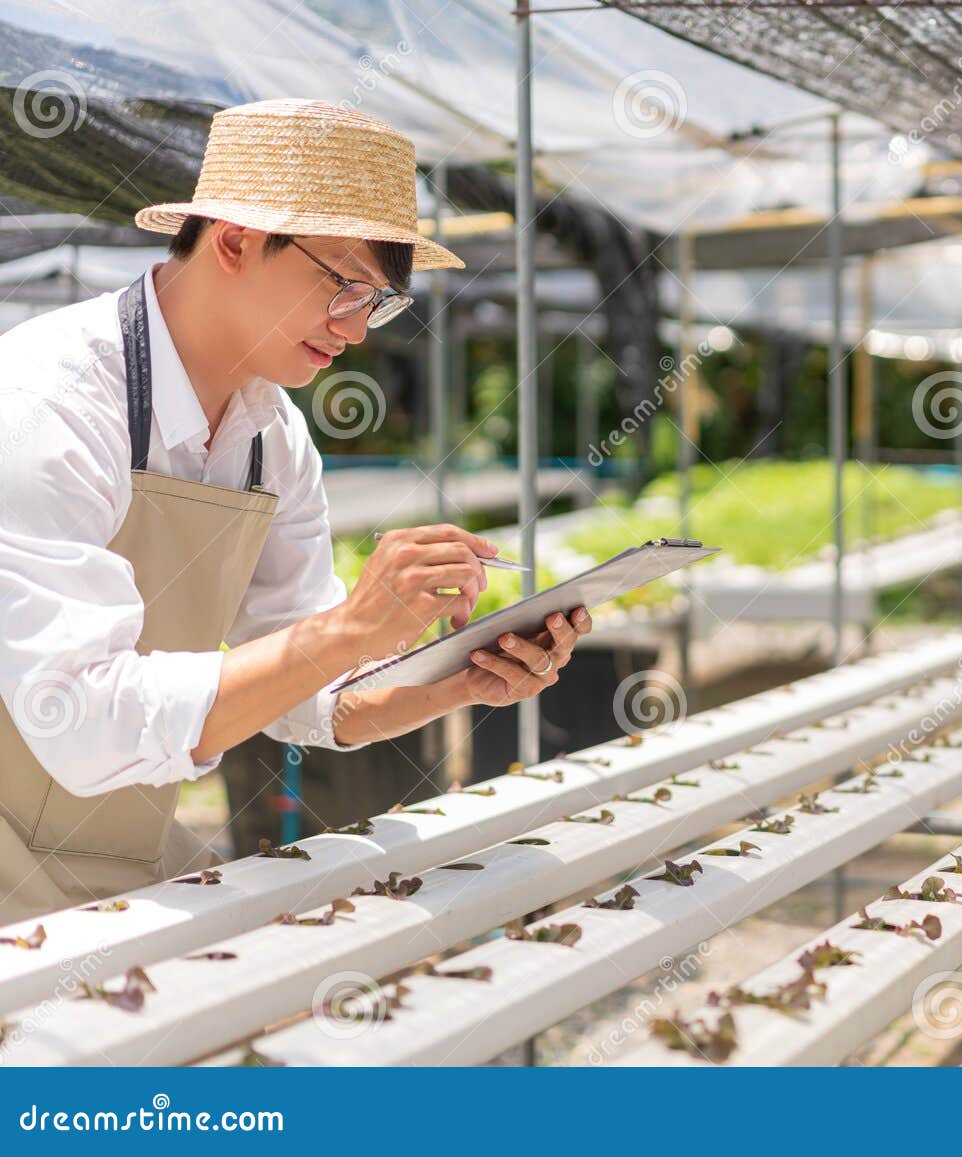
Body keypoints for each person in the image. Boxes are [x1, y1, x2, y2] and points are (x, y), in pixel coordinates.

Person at [0, 98, 589, 924]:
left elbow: (306, 693)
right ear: (236, 239)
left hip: (113, 856)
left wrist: (459, 679)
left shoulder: (271, 435)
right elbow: (83, 717)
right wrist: (348, 627)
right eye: (344, 286)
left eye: (377, 302)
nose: (354, 331)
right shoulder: (42, 404)